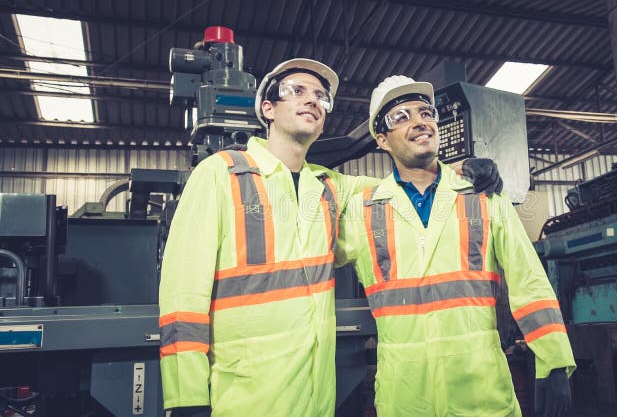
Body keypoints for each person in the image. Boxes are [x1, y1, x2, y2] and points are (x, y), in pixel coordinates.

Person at [158, 60, 503, 417]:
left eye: (321, 97)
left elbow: (405, 185)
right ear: (268, 108)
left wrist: (460, 170)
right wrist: (186, 397)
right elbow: (183, 292)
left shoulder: (327, 188)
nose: (312, 100)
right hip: (244, 398)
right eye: (298, 91)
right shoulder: (221, 174)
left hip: (315, 399)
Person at [336, 76, 576, 417]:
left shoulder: (482, 195)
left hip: (481, 393)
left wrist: (554, 359)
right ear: (381, 140)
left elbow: (529, 279)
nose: (419, 122)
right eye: (401, 117)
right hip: (405, 396)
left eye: (425, 112)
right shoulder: (363, 210)